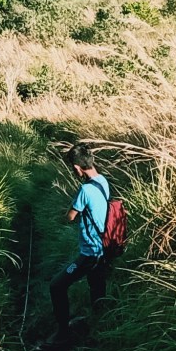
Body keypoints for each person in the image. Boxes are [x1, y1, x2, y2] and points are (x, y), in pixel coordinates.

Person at [48, 143, 113, 341]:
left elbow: (70, 216)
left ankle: (63, 332)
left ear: (77, 168)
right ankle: (98, 328)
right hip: (103, 249)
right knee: (97, 289)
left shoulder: (85, 189)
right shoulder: (103, 181)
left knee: (56, 286)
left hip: (89, 253)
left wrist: (67, 210)